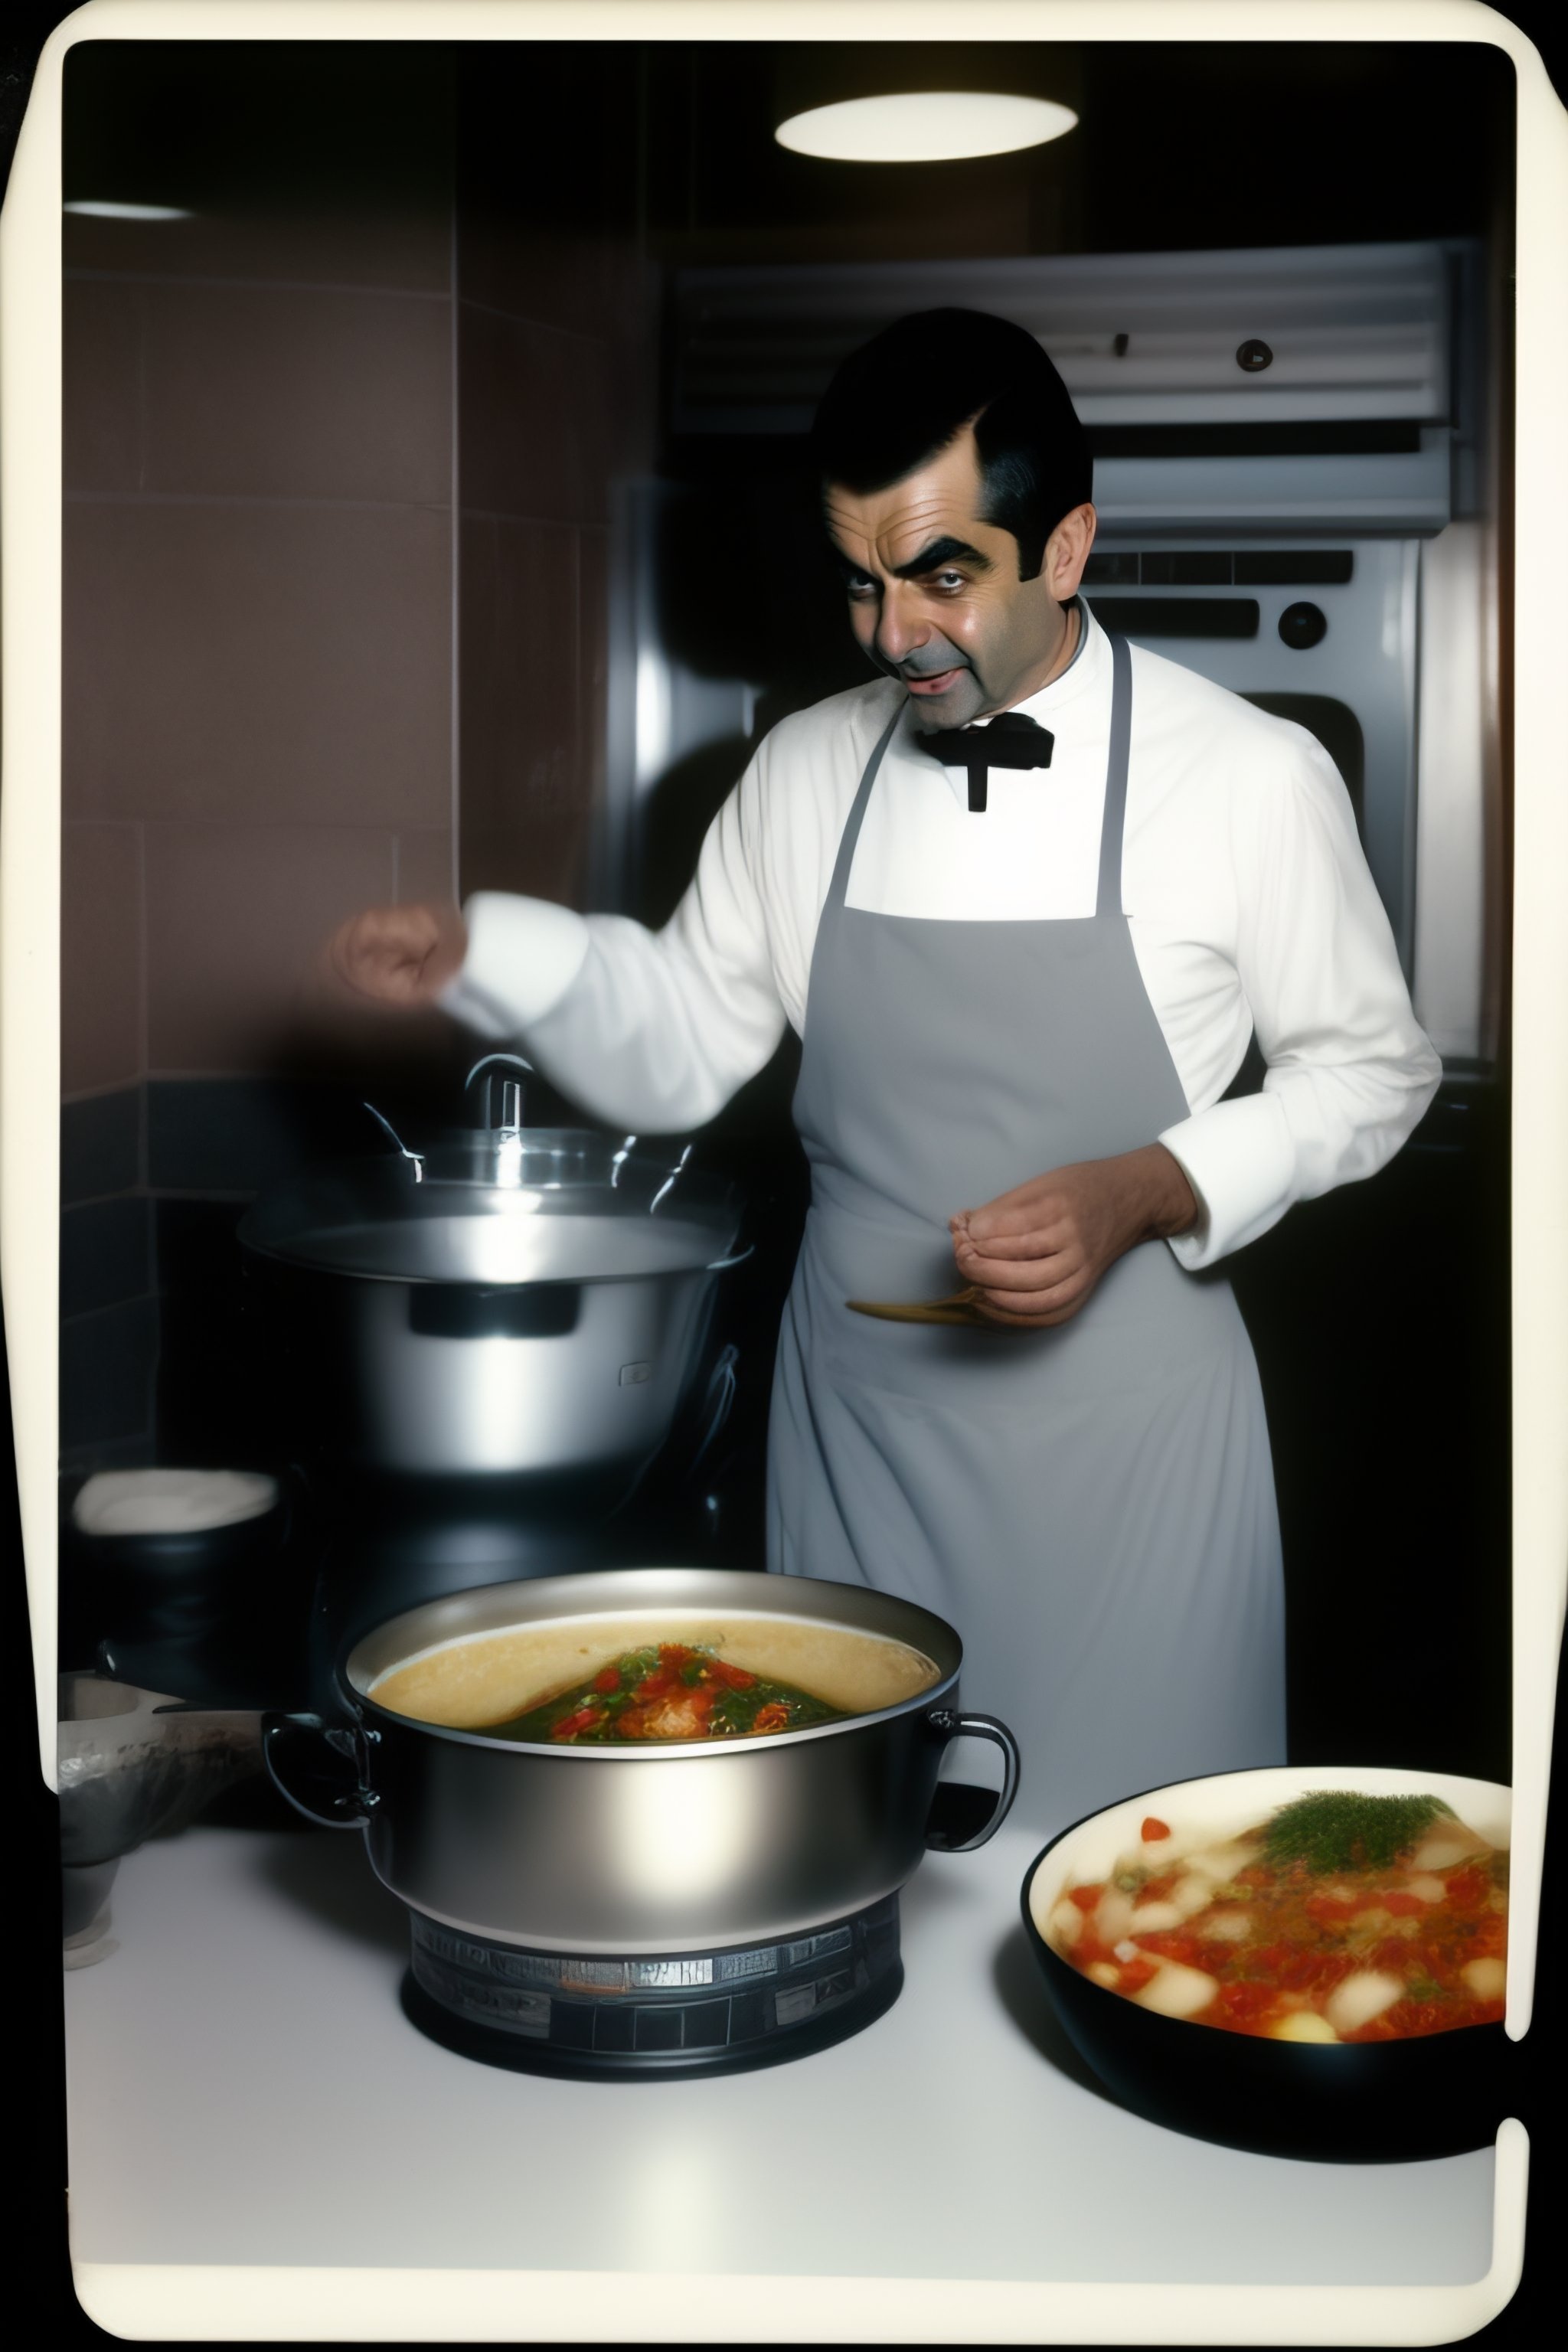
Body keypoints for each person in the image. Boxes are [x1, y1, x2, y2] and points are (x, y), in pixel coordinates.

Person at [326, 310, 1442, 1828]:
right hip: (854, 1445)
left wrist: (1145, 1187)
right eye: (861, 582)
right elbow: (684, 1035)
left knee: (1141, 1872)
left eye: (942, 576)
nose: (892, 634)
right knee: (852, 1875)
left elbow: (1372, 1071)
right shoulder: (802, 768)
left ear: (1065, 548)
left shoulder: (1245, 775)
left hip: (1130, 1461)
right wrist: (492, 957)